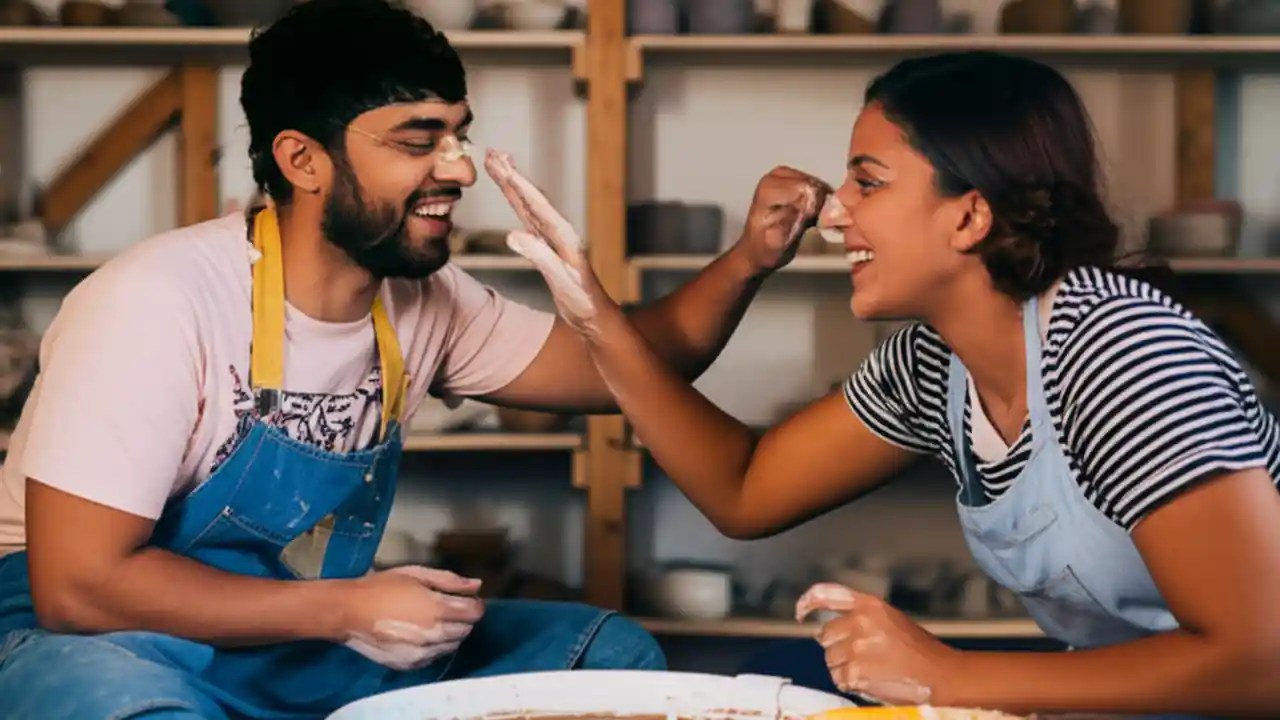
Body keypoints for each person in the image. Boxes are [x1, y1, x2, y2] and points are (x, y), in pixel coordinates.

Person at [0, 1, 812, 717]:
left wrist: (747, 259)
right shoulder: (157, 301)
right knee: (128, 705)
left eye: (458, 134)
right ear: (302, 160)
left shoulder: (428, 298)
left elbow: (636, 371)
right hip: (80, 636)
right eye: (418, 140)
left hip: (280, 625)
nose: (458, 169)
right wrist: (346, 612)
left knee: (606, 658)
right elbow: (78, 588)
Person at [493, 51, 1280, 718]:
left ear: (969, 219)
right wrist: (597, 321)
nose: (833, 215)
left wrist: (951, 673)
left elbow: (1260, 657)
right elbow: (743, 491)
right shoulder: (934, 361)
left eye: (868, 182)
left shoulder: (1121, 350)